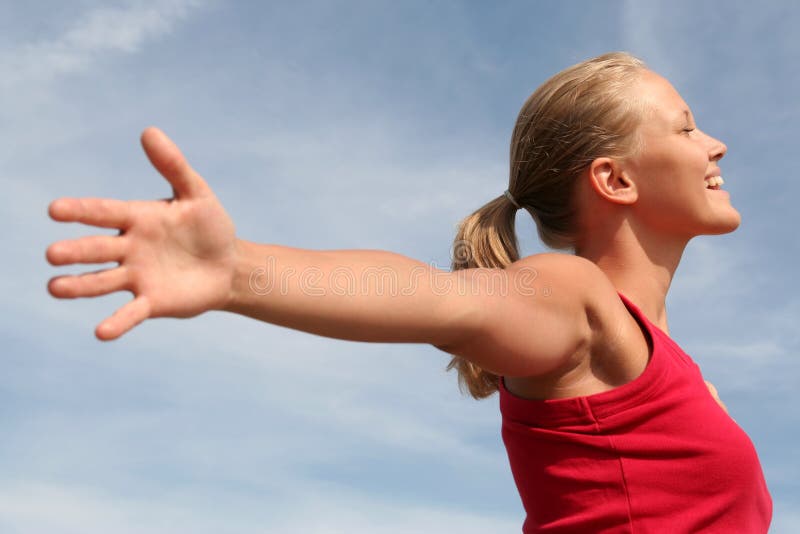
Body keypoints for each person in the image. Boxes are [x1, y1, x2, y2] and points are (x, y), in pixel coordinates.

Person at [45, 52, 772, 532]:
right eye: (686, 128)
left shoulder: (675, 370)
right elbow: (442, 300)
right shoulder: (574, 296)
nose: (716, 144)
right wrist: (239, 271)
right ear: (615, 180)